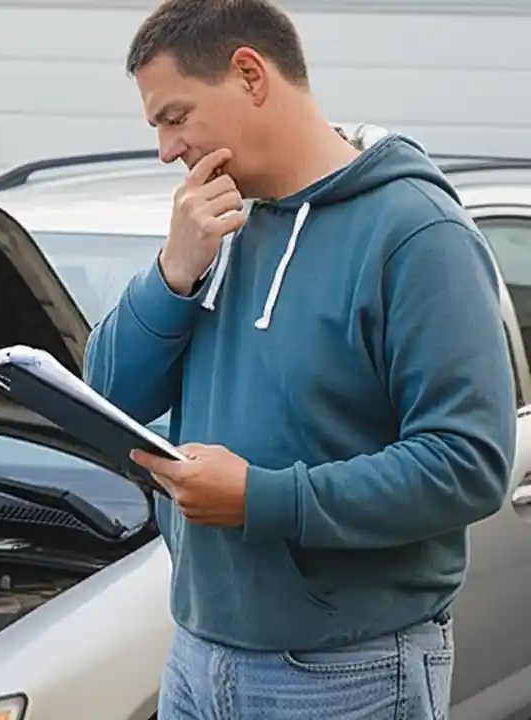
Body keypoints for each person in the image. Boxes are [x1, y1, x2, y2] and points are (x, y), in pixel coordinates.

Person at [83, 0, 518, 717]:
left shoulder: (415, 233)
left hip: (346, 673)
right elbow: (109, 394)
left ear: (250, 74)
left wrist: (259, 496)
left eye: (175, 116)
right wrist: (173, 273)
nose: (166, 149)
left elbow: (468, 466)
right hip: (197, 654)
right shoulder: (213, 219)